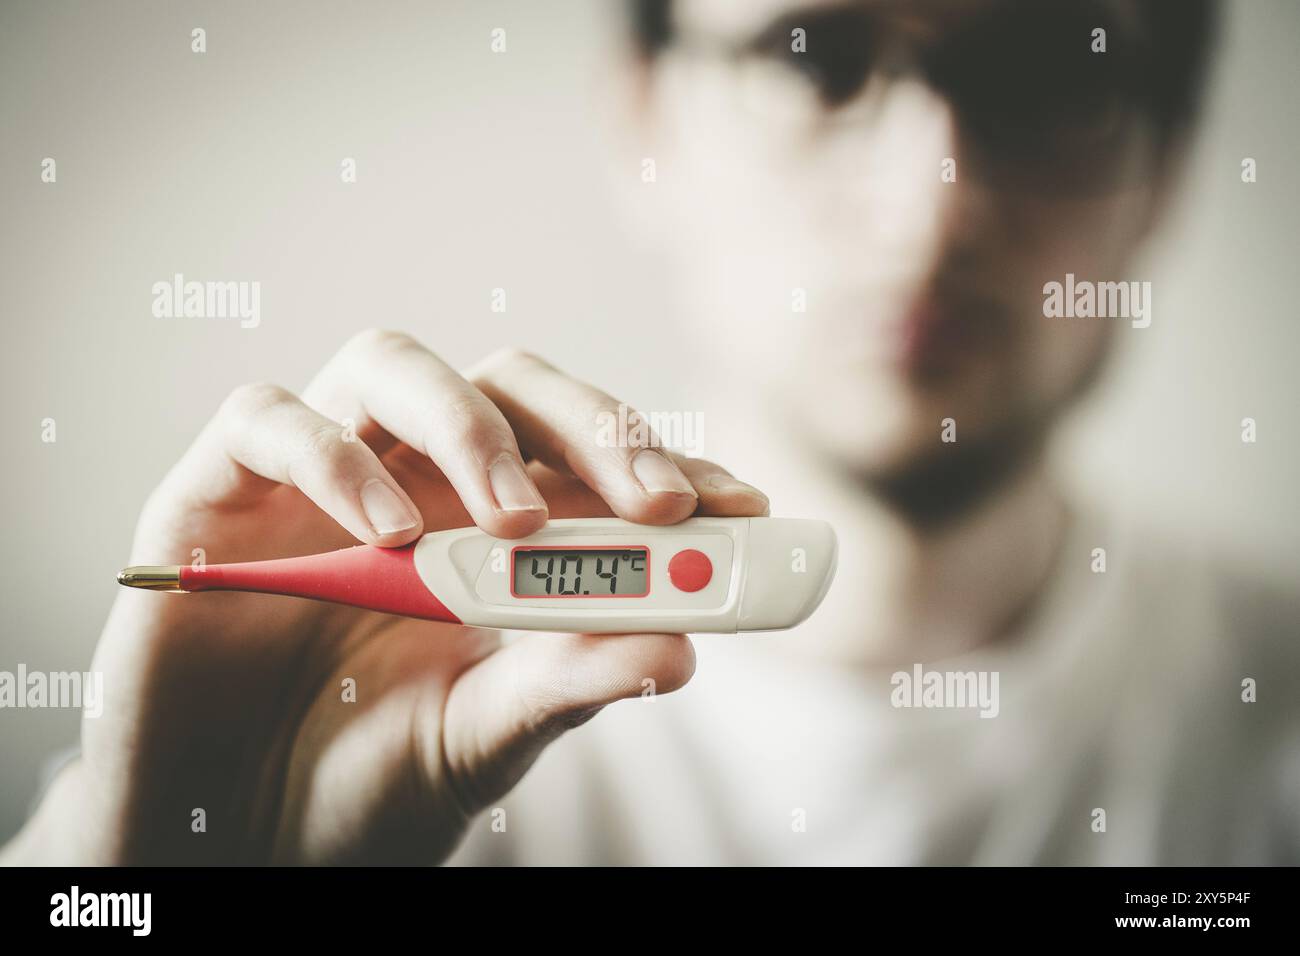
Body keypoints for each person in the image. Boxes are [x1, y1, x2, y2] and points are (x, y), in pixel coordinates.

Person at [3, 0, 1296, 866]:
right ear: (645, 123)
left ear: (1169, 176)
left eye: (1043, 72)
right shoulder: (340, 706)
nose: (930, 205)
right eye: (815, 56)